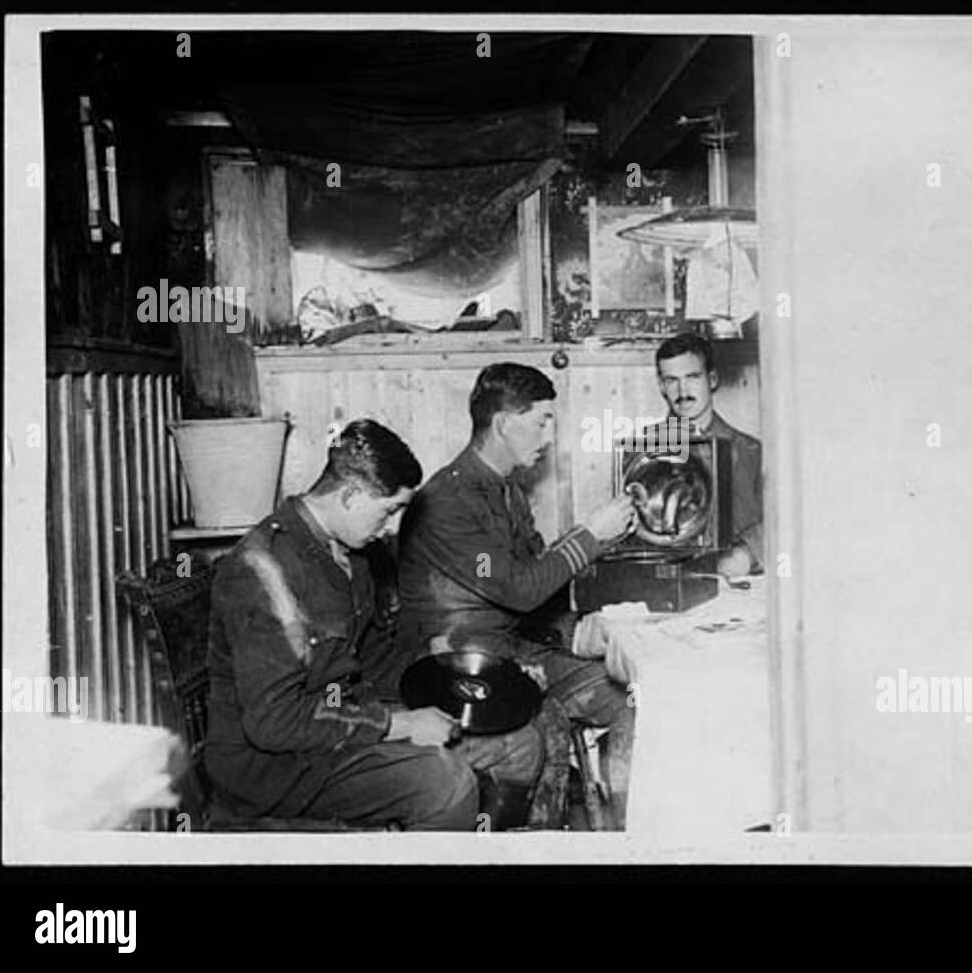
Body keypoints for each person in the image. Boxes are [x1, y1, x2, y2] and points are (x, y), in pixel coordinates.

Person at [205, 418, 543, 830]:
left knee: (518, 744)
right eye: (389, 511)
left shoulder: (351, 555)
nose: (392, 526)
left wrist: (455, 671)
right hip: (275, 770)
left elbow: (368, 661)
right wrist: (397, 725)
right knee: (444, 783)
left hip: (336, 726)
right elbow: (273, 722)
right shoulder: (263, 570)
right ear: (350, 495)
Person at [396, 363, 639, 828]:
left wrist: (575, 636)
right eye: (541, 422)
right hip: (457, 668)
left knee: (635, 698)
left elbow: (531, 590)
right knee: (537, 731)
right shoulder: (448, 501)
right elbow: (519, 588)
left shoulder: (504, 491)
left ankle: (625, 834)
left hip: (517, 654)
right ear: (504, 424)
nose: (549, 435)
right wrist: (591, 534)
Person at [643, 333, 764, 577]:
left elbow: (782, 522)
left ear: (712, 379)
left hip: (738, 588)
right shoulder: (643, 452)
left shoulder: (750, 451)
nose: (682, 390)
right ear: (661, 386)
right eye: (672, 380)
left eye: (692, 377)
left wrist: (748, 554)